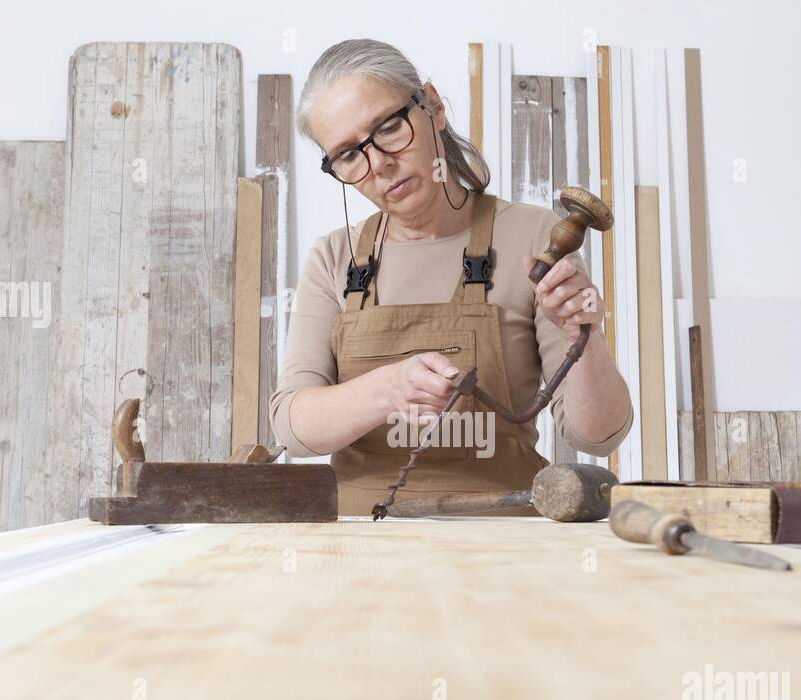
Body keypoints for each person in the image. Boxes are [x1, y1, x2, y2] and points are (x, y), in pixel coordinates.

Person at [271, 38, 633, 515]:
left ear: (433, 107)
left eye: (388, 128)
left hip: (505, 536)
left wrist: (584, 337)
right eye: (348, 155)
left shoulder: (532, 238)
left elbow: (597, 435)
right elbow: (293, 427)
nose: (379, 164)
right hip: (358, 537)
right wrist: (386, 390)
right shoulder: (333, 258)